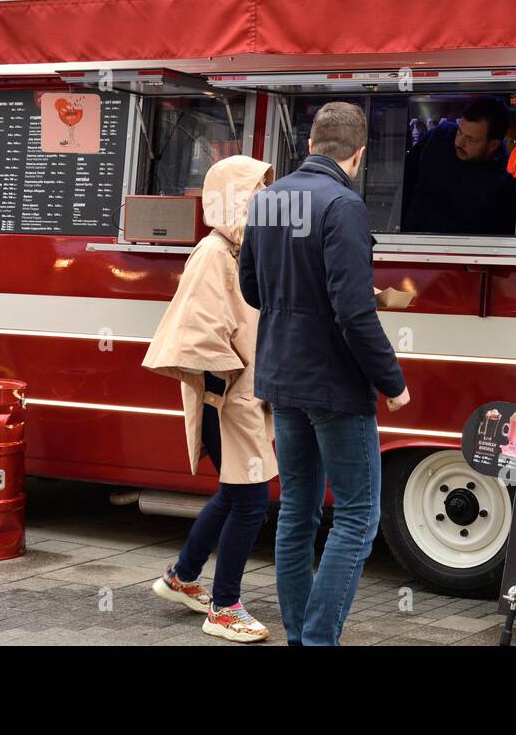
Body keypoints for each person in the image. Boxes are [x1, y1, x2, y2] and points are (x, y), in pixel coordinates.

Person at [239, 101, 410, 646]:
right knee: (358, 517)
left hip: (281, 376)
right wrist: (393, 381)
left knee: (296, 513)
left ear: (310, 144)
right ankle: (317, 639)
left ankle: (299, 635)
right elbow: (353, 312)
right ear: (358, 154)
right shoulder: (345, 206)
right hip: (335, 385)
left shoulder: (266, 200)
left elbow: (252, 290)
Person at [143, 155, 278, 643]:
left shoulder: (239, 251)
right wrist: (233, 385)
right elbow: (198, 337)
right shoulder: (214, 253)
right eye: (257, 190)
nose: (267, 198)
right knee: (251, 499)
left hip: (243, 394)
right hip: (230, 397)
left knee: (234, 492)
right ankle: (224, 607)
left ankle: (182, 577)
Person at [400, 97, 516, 235]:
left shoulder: (506, 179)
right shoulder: (437, 138)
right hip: (411, 241)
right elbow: (404, 182)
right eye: (460, 132)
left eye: (471, 139)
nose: (459, 143)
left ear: (493, 145)